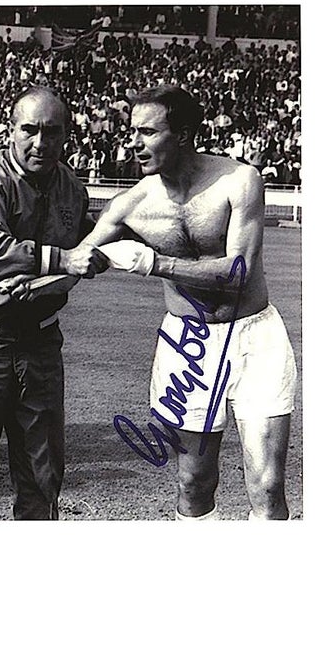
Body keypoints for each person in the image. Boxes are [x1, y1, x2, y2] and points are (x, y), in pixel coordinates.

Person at [81, 84, 297, 520]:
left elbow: (237, 273)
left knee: (268, 484)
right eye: (132, 131)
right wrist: (5, 281)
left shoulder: (238, 180)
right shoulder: (130, 204)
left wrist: (151, 262)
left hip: (254, 337)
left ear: (182, 133)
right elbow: (77, 260)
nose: (133, 142)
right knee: (194, 483)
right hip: (189, 344)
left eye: (147, 132)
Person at [0, 86, 108, 520]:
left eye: (51, 132)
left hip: (40, 346)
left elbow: (85, 243)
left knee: (42, 482)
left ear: (67, 135)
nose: (40, 142)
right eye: (29, 130)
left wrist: (101, 252)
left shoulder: (71, 186)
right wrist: (62, 259)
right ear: (10, 131)